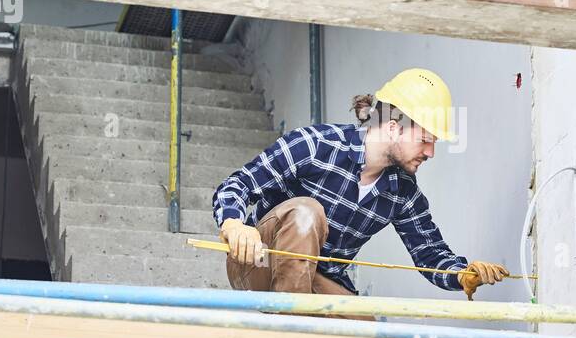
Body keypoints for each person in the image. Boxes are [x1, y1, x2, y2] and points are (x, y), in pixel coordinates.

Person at [211, 68, 509, 302]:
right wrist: (234, 224)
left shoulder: (402, 193)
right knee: (307, 213)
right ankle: (291, 336)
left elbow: (431, 255)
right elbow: (238, 184)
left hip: (316, 280)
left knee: (366, 334)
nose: (430, 152)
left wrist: (463, 275)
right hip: (258, 265)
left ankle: (299, 329)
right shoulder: (315, 146)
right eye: (425, 140)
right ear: (393, 128)